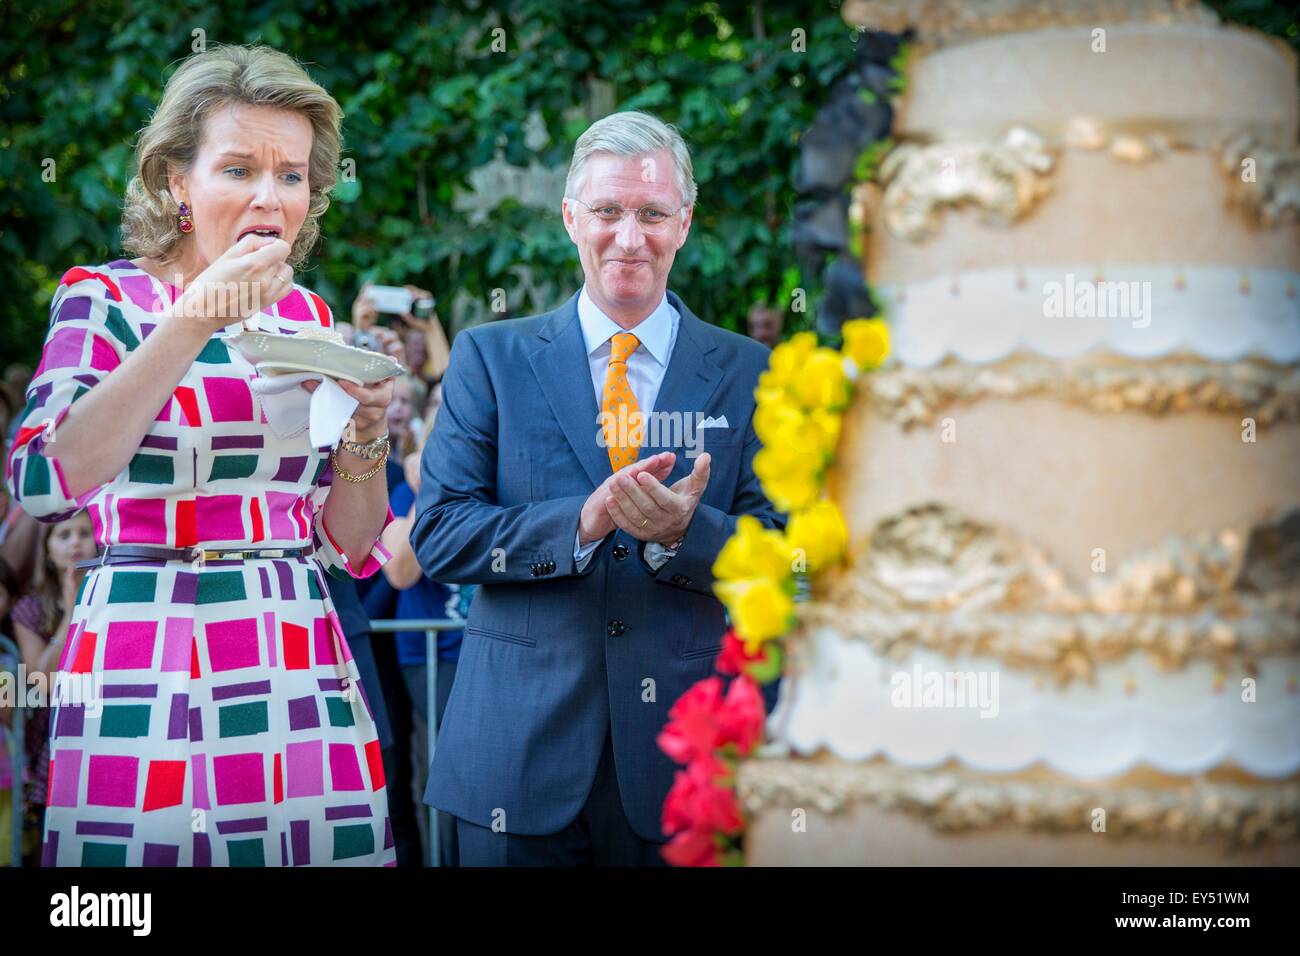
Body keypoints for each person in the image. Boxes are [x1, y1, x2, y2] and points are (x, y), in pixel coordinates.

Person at [3, 44, 397, 867]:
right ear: (177, 183)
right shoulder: (104, 299)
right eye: (239, 169)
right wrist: (194, 318)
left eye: (291, 175)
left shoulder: (311, 317)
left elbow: (349, 545)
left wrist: (366, 435)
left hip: (290, 638)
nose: (270, 196)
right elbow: (42, 482)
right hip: (144, 640)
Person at [412, 110, 782, 866]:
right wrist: (579, 523)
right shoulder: (491, 357)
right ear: (570, 218)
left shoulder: (749, 371)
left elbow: (788, 554)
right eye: (608, 211)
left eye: (652, 213)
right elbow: (440, 532)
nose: (630, 235)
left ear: (684, 223)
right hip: (513, 759)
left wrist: (686, 534)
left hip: (687, 762)